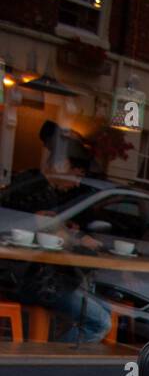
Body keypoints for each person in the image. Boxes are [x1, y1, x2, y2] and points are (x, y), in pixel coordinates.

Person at [0, 140, 112, 343]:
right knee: (101, 321)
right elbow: (49, 229)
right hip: (26, 280)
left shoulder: (30, 183)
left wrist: (66, 230)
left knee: (105, 309)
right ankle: (50, 364)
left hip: (21, 276)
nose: (78, 183)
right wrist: (77, 239)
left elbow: (43, 225)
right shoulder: (38, 191)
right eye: (78, 175)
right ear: (62, 166)